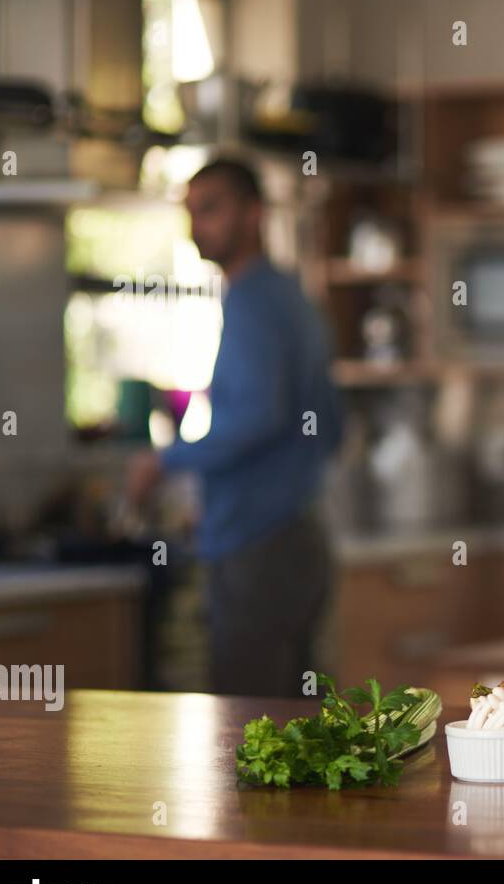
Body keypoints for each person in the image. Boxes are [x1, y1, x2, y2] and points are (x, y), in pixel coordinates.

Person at [127, 158, 343, 698]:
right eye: (192, 212)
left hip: (258, 551)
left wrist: (163, 461)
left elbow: (257, 416)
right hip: (297, 539)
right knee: (302, 734)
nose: (198, 225)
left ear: (255, 214)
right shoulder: (293, 297)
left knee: (252, 730)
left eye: (212, 209)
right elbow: (332, 427)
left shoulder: (251, 302)